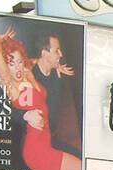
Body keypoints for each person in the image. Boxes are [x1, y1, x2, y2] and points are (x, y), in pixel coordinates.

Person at [0, 28, 81, 170]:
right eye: (11, 64)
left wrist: (56, 66)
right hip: (38, 150)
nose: (17, 68)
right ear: (5, 67)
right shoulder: (9, 84)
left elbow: (34, 61)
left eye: (19, 62)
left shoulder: (26, 72)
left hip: (44, 143)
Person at [30, 31, 81, 160]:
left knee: (82, 159)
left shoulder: (56, 75)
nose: (61, 54)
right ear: (44, 53)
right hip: (35, 143)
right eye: (56, 50)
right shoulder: (31, 78)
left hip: (51, 139)